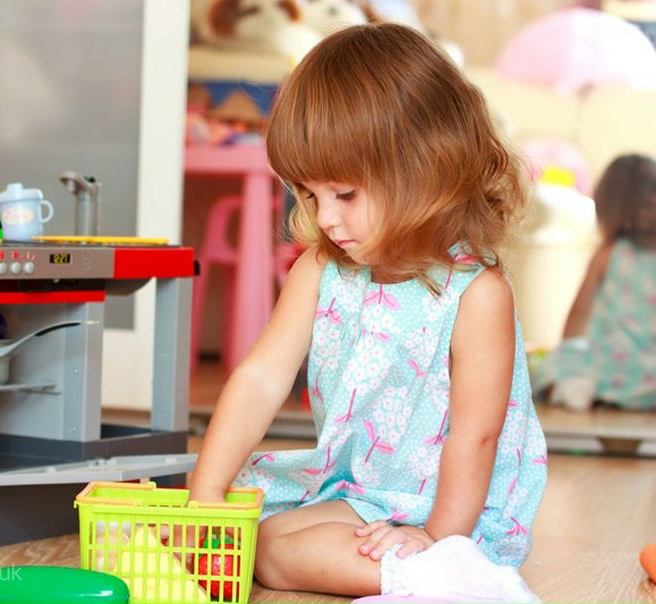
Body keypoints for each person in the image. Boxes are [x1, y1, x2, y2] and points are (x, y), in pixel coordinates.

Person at [188, 23, 547, 600]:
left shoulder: (477, 294)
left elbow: (477, 437)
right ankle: (422, 573)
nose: (326, 219)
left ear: (427, 167)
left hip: (457, 511)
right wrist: (205, 494)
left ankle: (454, 575)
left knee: (275, 555)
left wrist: (434, 537)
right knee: (257, 535)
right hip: (363, 492)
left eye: (346, 194)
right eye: (309, 195)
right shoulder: (321, 270)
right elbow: (259, 379)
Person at [532, 154, 656, 411]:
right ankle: (609, 392)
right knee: (561, 363)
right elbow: (580, 313)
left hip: (623, 362)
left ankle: (584, 389)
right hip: (627, 362)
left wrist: (569, 353)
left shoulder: (609, 254)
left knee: (556, 367)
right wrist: (570, 350)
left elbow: (579, 313)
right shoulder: (610, 254)